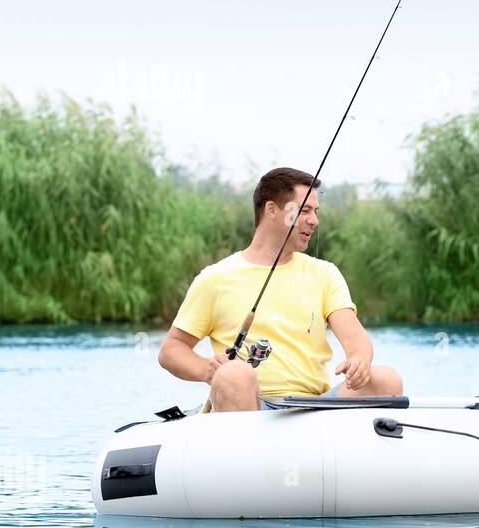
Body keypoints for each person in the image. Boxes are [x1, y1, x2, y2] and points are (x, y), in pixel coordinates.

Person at [158, 167, 403, 411]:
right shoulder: (214, 278)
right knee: (233, 374)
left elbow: (355, 337)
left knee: (386, 380)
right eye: (304, 210)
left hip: (317, 407)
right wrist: (206, 370)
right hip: (254, 406)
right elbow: (171, 350)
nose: (314, 220)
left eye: (315, 212)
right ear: (272, 210)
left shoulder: (326, 273)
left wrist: (359, 359)